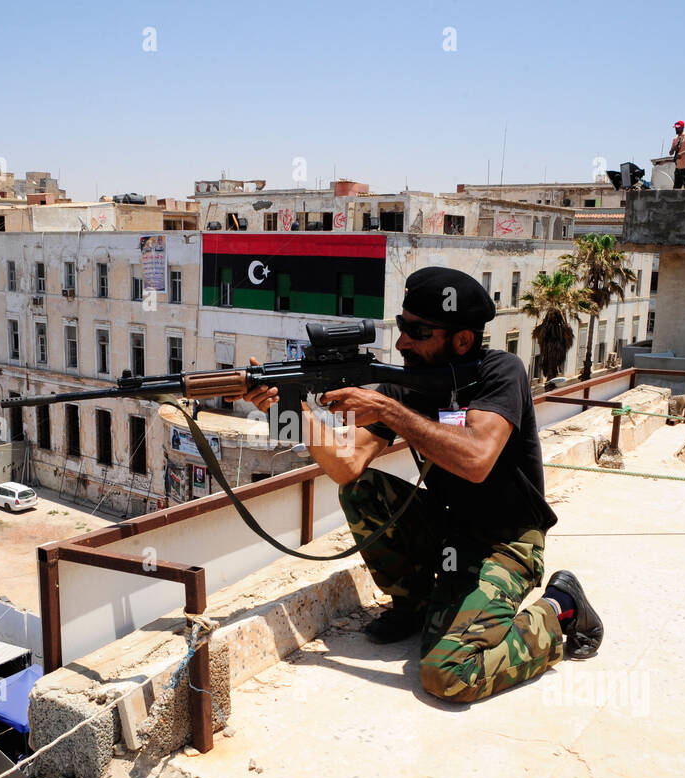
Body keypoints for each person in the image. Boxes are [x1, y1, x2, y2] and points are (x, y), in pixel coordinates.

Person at [243, 267, 604, 704]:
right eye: (402, 327)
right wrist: (290, 407)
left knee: (448, 674)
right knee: (362, 491)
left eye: (418, 332)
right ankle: (411, 606)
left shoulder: (500, 371)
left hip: (507, 544)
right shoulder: (407, 383)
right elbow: (346, 465)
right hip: (450, 531)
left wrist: (388, 409)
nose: (402, 343)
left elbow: (476, 460)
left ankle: (561, 609)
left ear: (463, 340)